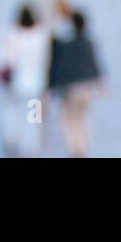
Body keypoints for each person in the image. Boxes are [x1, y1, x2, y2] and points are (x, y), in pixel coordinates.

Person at [48, 10, 107, 157]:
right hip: (87, 88)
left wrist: (54, 86)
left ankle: (74, 149)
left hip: (71, 88)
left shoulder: (66, 45)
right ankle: (83, 148)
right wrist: (100, 84)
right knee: (83, 118)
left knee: (69, 119)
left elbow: (61, 67)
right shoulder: (88, 43)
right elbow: (95, 64)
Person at [0, 6, 51, 157]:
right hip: (36, 85)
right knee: (33, 119)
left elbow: (4, 59)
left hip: (16, 84)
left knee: (13, 113)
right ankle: (31, 149)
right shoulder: (41, 36)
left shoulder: (12, 35)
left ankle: (13, 141)